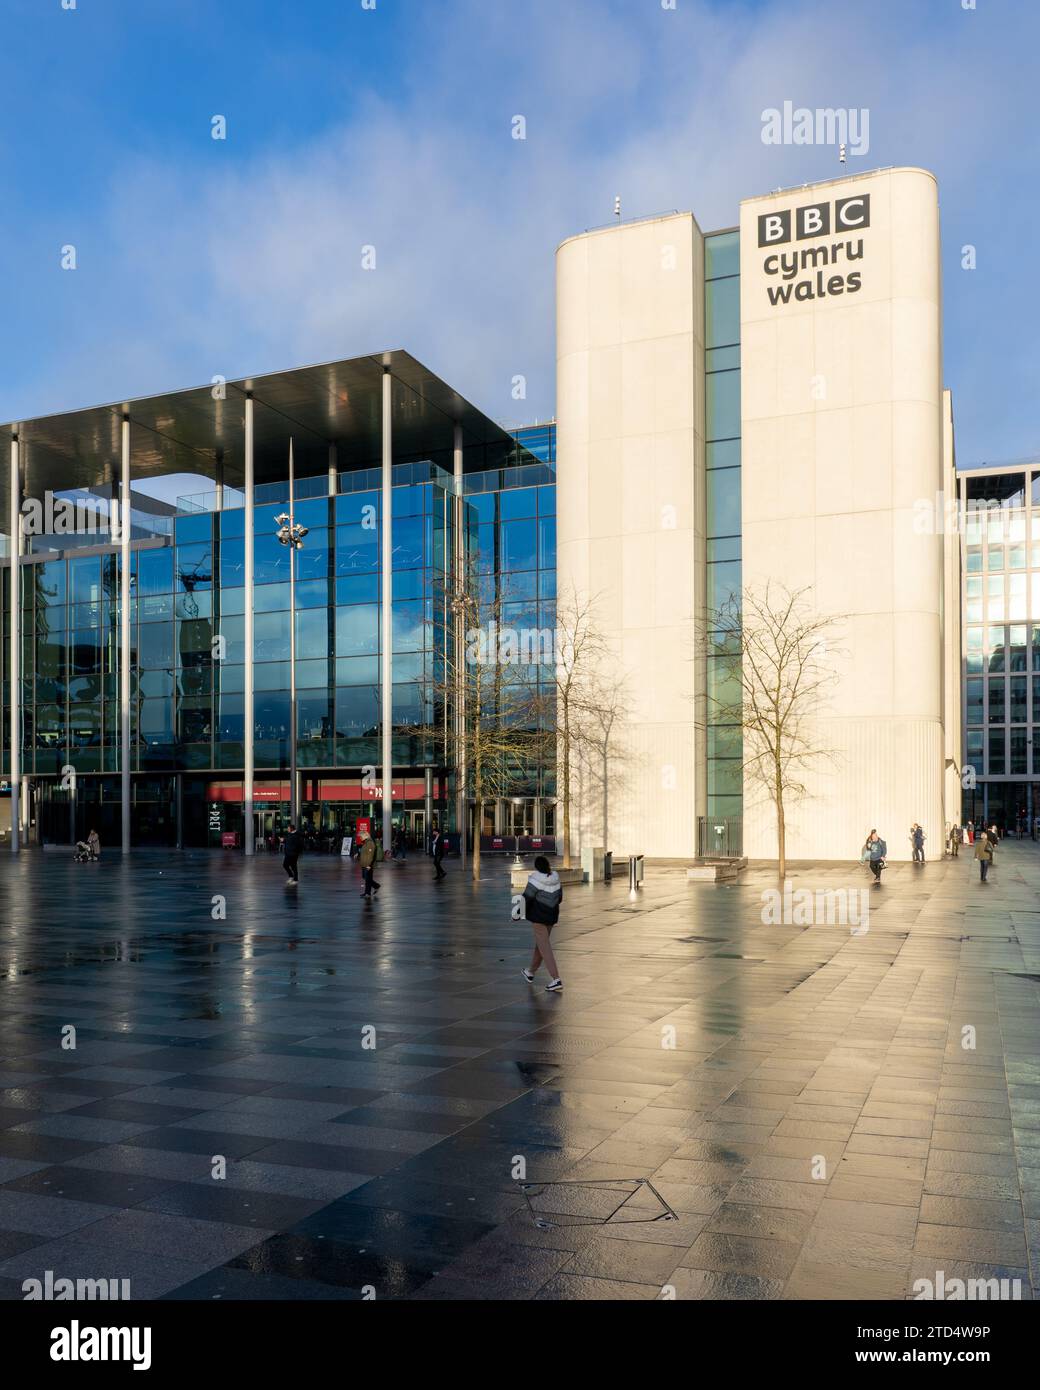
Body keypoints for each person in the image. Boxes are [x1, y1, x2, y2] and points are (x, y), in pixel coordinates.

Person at [520, 856, 564, 992]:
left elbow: (526, 898)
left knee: (544, 947)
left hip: (538, 918)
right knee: (541, 945)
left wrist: (517, 914)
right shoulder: (555, 878)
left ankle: (556, 978)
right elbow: (560, 898)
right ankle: (530, 972)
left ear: (537, 867)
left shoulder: (535, 879)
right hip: (551, 917)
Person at [358, 831, 380, 898]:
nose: (360, 838)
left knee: (367, 878)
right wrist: (358, 854)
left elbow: (371, 855)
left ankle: (367, 893)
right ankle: (376, 886)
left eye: (361, 836)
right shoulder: (365, 843)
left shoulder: (370, 843)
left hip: (368, 864)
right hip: (364, 863)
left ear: (365, 836)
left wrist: (369, 865)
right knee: (366, 877)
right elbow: (364, 852)